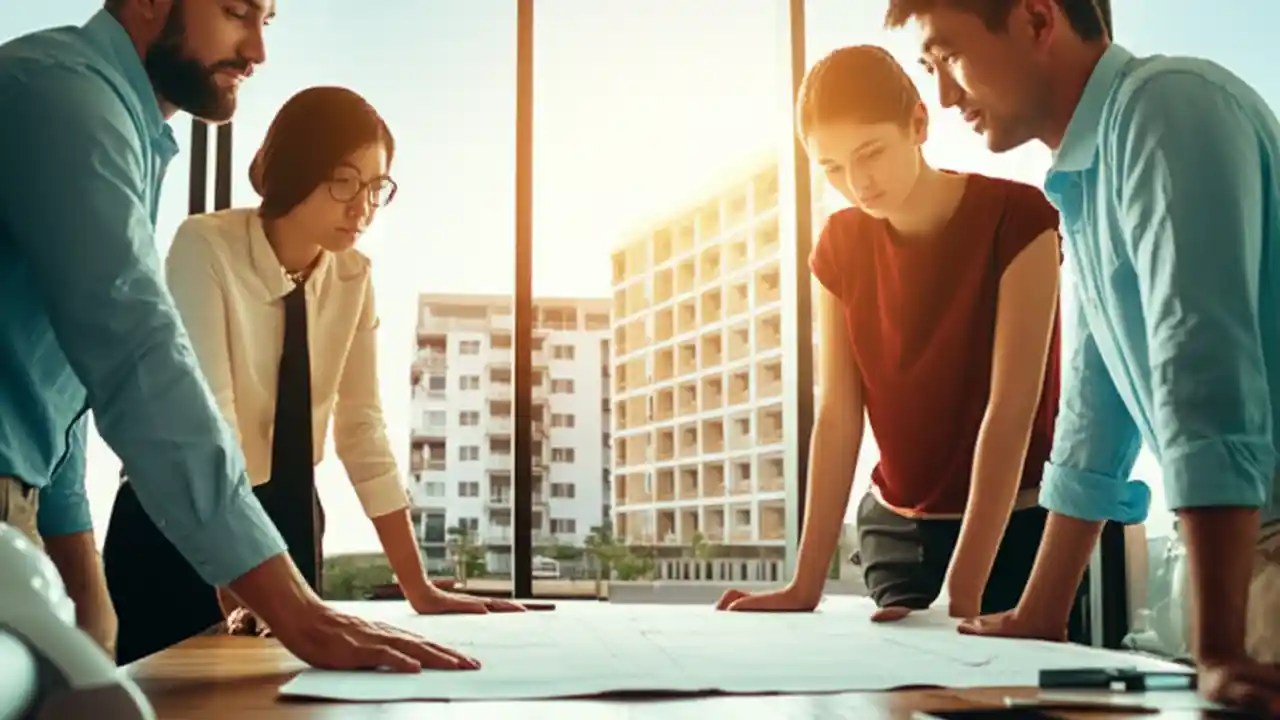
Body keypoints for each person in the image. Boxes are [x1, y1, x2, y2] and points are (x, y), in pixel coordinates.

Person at [0, 0, 477, 672]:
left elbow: (63, 373)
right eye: (235, 12)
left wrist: (79, 571)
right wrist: (295, 607)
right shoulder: (67, 102)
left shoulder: (124, 128)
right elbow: (138, 359)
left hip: (68, 503)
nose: (258, 52)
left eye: (267, 21)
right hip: (181, 521)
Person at [883, 0, 1280, 712]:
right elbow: (1095, 410)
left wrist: (1220, 648)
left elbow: (1202, 369)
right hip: (1247, 558)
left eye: (948, 57)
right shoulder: (1086, 180)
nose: (942, 97)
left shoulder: (1169, 108)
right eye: (927, 68)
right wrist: (1042, 609)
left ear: (1038, 21)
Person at [103, 85, 526, 664]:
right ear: (295, 167)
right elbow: (212, 425)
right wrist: (235, 577)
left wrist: (417, 588)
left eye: (376, 188)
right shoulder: (205, 246)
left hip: (285, 521)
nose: (362, 208)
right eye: (344, 180)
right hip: (178, 520)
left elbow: (362, 428)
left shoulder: (353, 277)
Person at [714, 44, 1079, 630]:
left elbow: (1011, 410)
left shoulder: (1020, 217)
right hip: (896, 533)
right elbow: (837, 416)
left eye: (871, 153)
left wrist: (961, 590)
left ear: (918, 124)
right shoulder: (839, 242)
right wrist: (805, 584)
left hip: (1018, 531)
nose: (857, 182)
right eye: (831, 167)